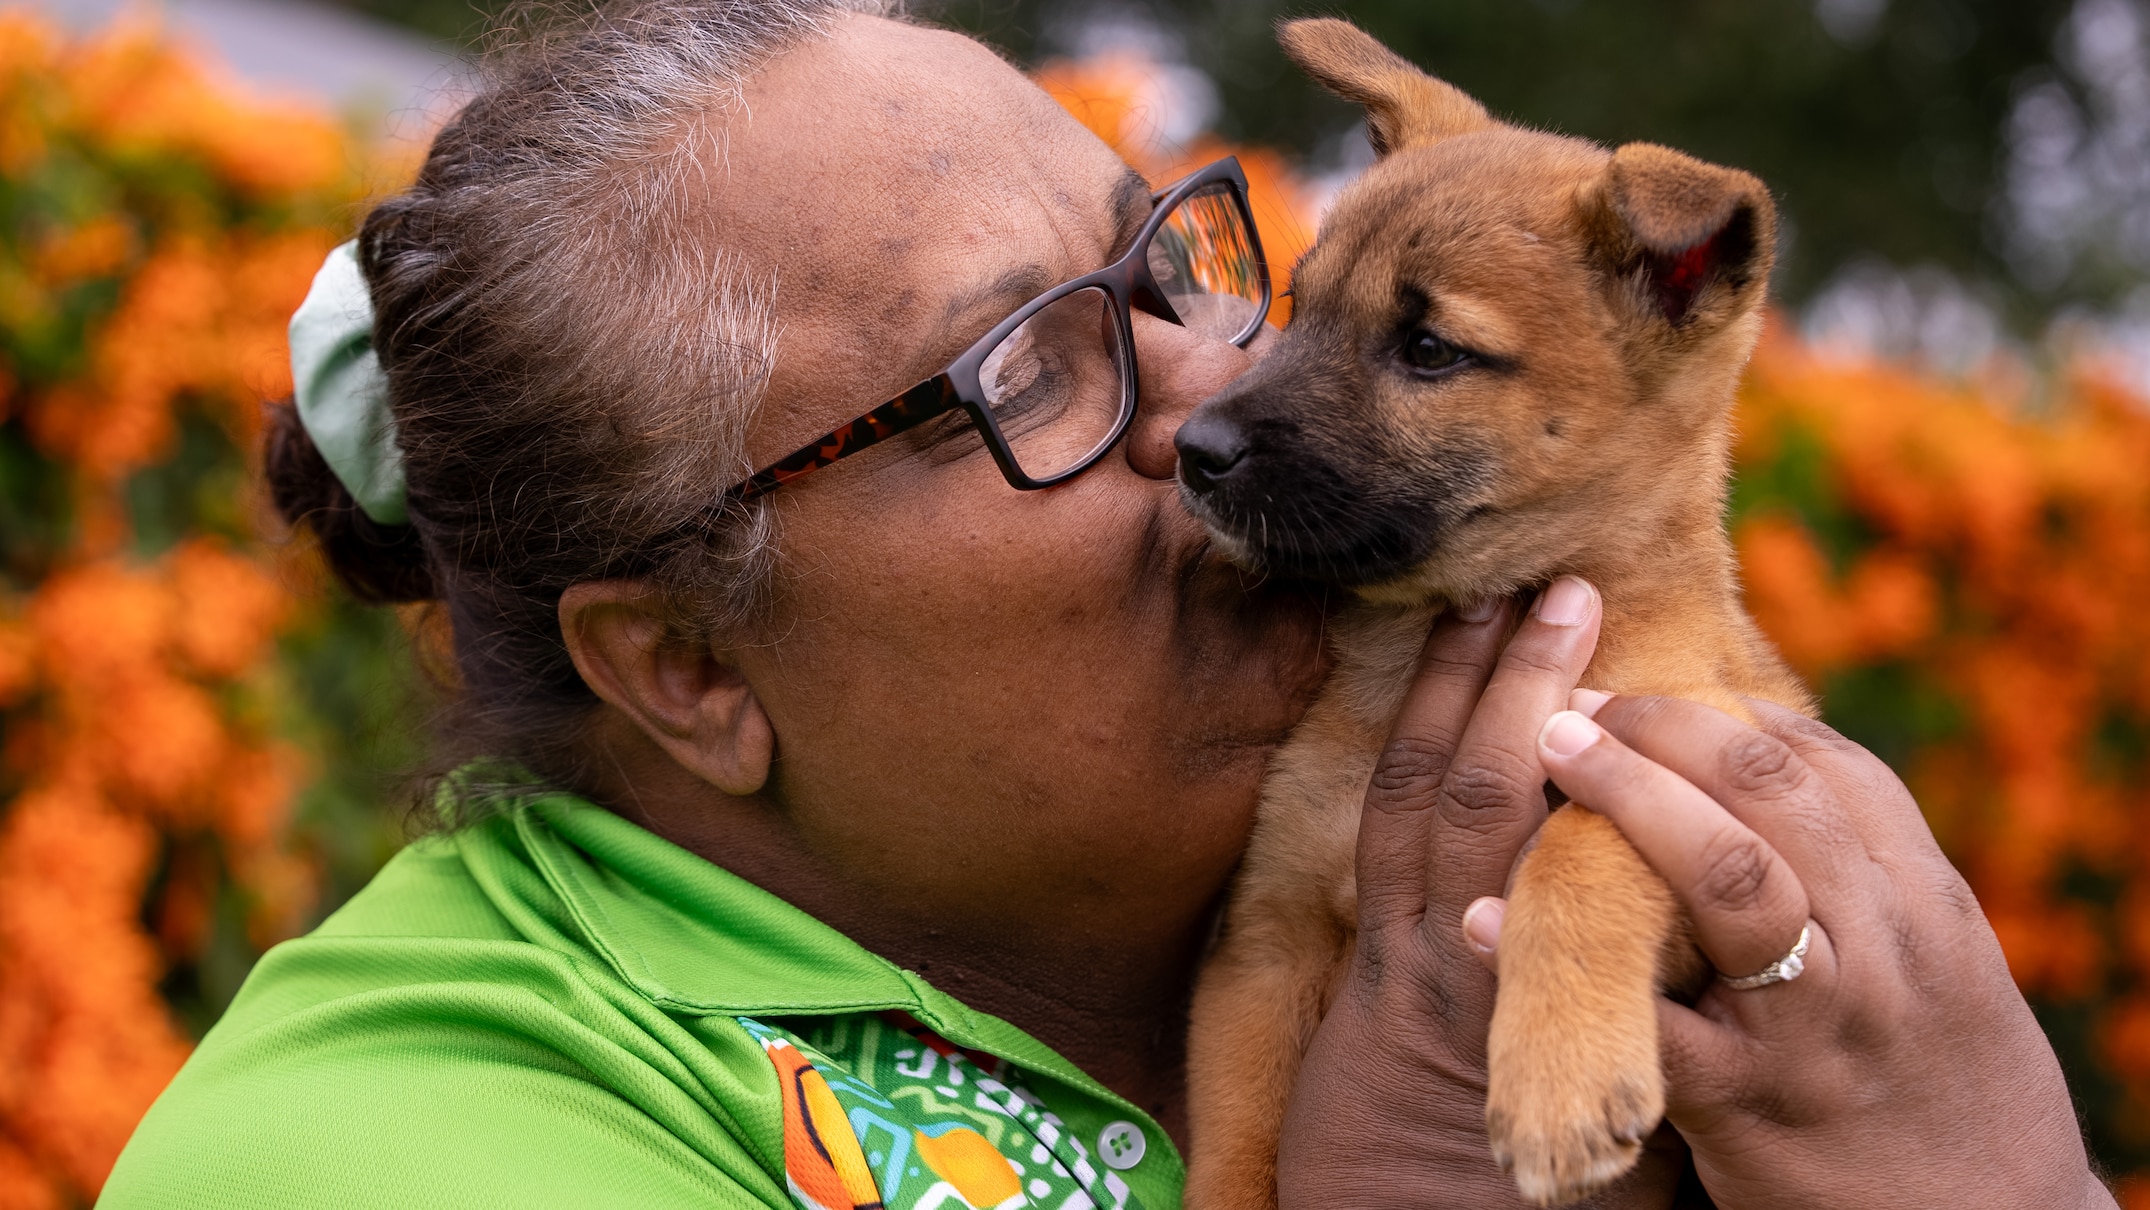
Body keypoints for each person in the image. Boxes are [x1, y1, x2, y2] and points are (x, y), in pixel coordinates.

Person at [100, 2, 2114, 1207]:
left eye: (1166, 264)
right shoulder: (391, 1144)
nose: (1215, 390)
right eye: (1024, 364)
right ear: (688, 667)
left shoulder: (1484, 853)